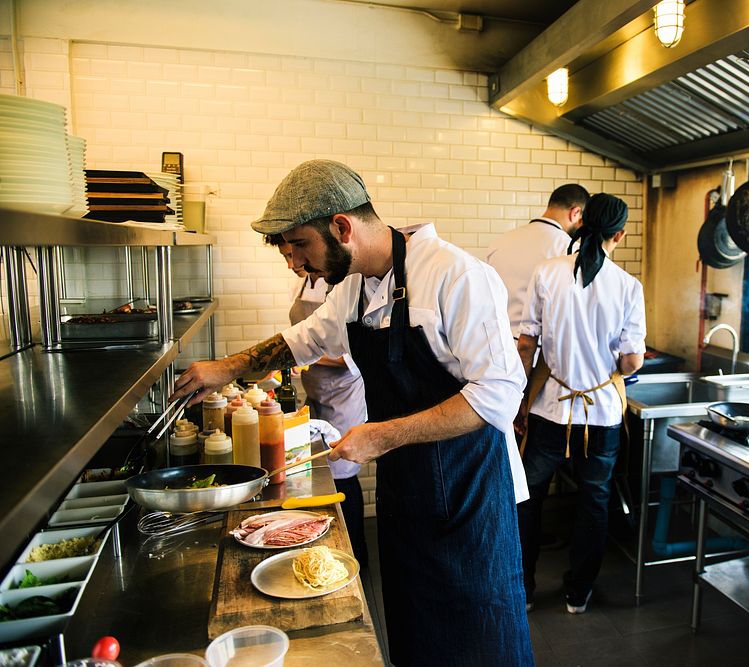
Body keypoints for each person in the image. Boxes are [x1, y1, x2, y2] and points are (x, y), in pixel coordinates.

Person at [171, 159, 533, 666]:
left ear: (341, 227)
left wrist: (384, 436)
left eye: (300, 246)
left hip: (470, 492)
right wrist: (226, 368)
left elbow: (498, 394)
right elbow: (304, 339)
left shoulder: (458, 275)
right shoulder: (354, 286)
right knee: (415, 629)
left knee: (480, 636)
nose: (295, 264)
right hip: (407, 493)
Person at [515, 193, 646, 615]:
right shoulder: (628, 286)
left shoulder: (547, 273)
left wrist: (518, 400)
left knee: (530, 497)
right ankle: (578, 593)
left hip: (550, 407)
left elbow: (526, 345)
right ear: (619, 235)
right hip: (601, 414)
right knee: (594, 501)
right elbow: (630, 361)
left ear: (581, 224)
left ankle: (525, 589)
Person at [265, 233, 369, 568]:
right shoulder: (302, 285)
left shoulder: (340, 284)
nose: (292, 264)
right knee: (322, 470)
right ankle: (329, 543)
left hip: (343, 395)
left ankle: (358, 555)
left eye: (295, 253)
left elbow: (351, 356)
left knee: (342, 471)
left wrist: (304, 359)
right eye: (284, 257)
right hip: (316, 391)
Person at [485, 184, 590, 339]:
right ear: (575, 213)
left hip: (498, 343)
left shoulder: (499, 242)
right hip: (539, 352)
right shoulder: (571, 250)